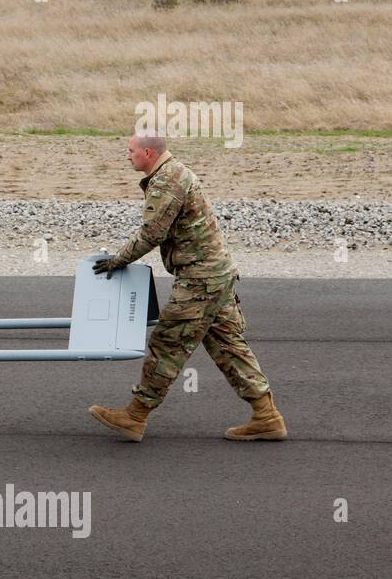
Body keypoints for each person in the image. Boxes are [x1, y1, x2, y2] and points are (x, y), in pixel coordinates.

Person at [88, 133, 287, 442]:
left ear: (148, 152)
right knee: (228, 345)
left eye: (130, 151)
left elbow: (152, 232)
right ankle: (266, 415)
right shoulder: (174, 173)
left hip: (201, 279)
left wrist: (118, 260)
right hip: (215, 275)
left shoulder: (167, 180)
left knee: (167, 343)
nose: (127, 157)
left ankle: (135, 416)